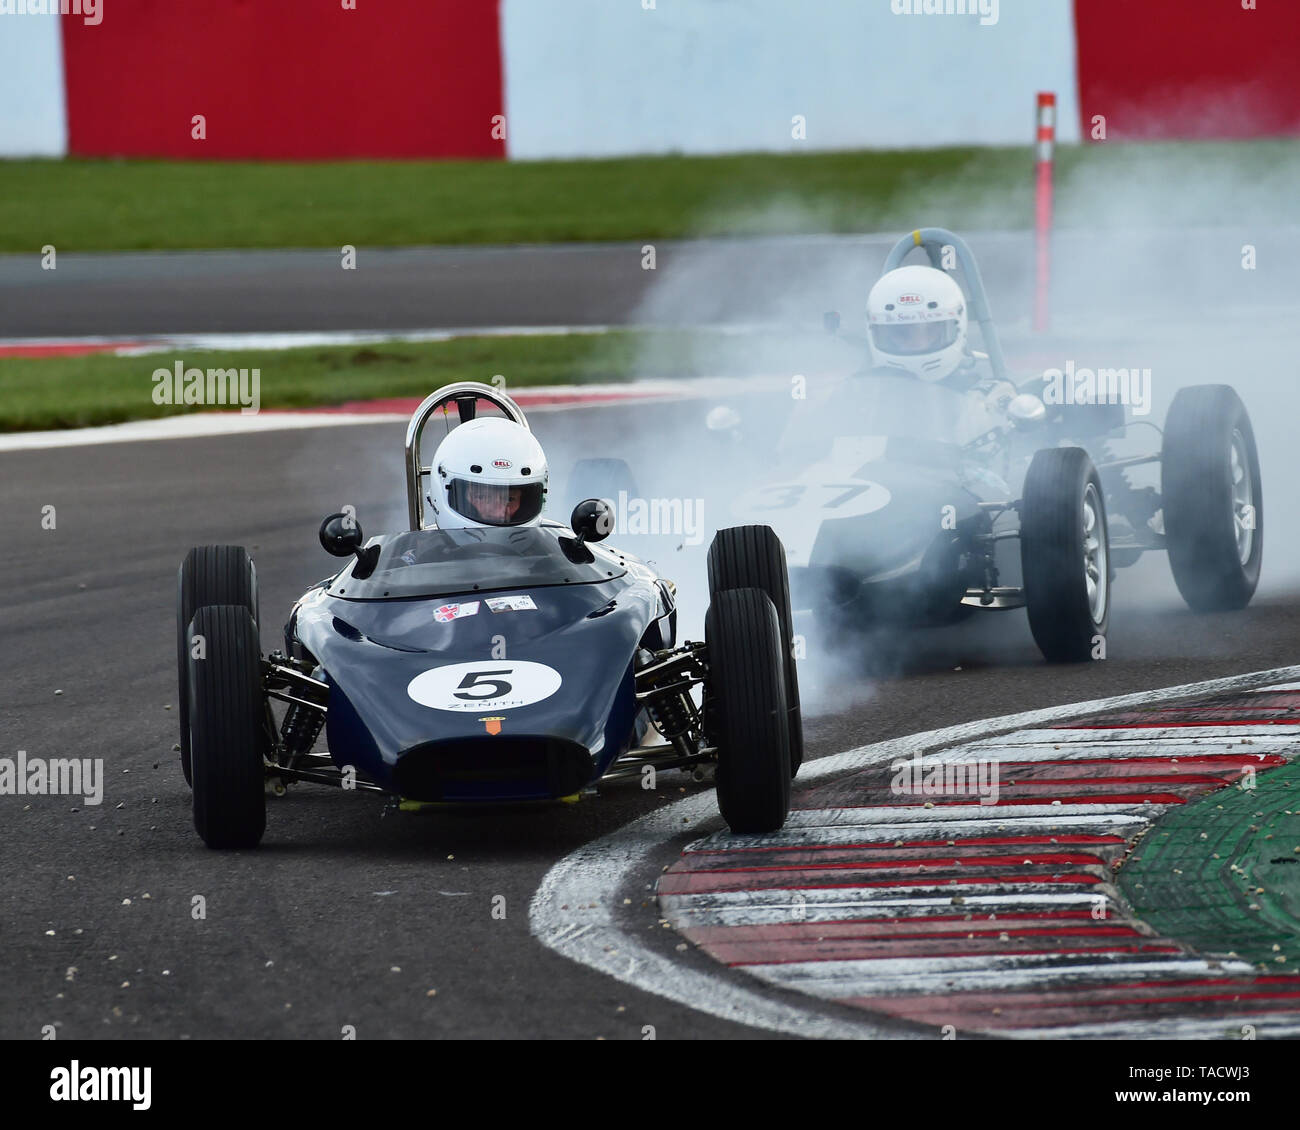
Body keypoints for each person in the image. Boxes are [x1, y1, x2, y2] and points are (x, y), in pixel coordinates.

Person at [425, 416, 549, 529]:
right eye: (482, 497)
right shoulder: (420, 552)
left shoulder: (556, 547)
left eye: (510, 498)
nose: (499, 513)